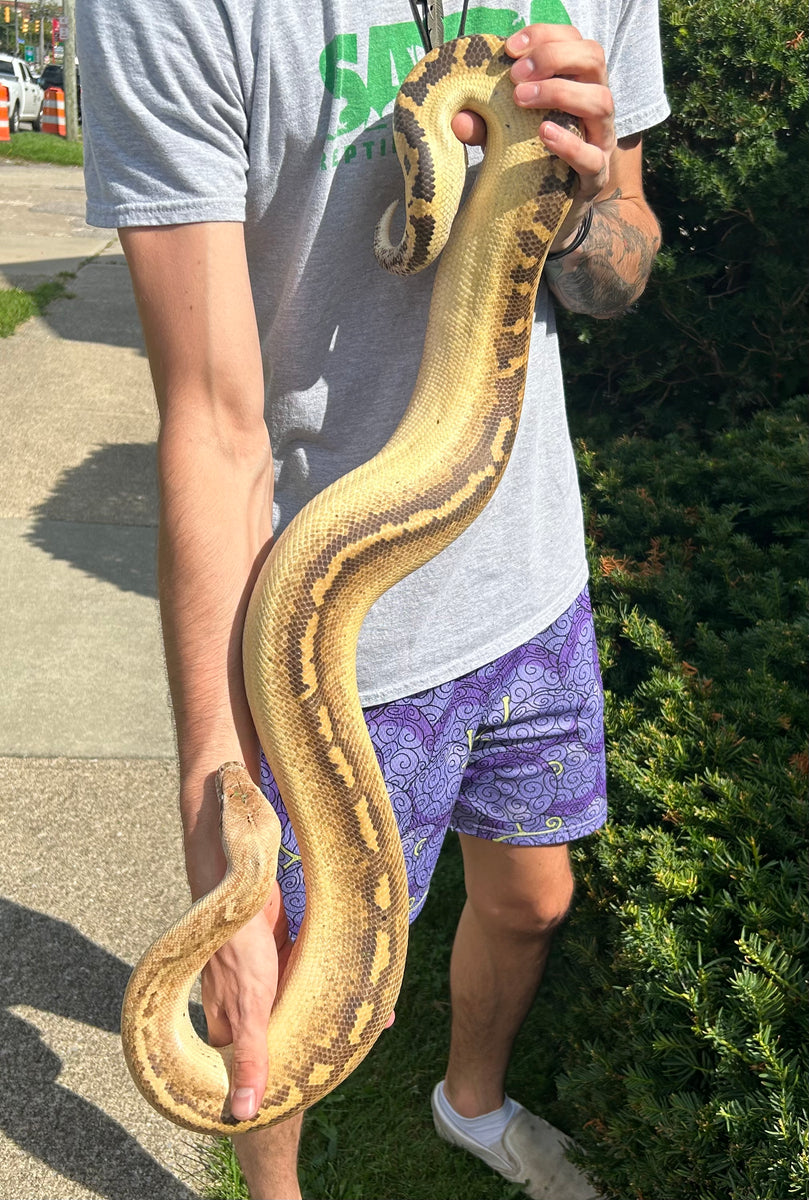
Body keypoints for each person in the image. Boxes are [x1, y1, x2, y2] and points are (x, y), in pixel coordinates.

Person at [77, 2, 668, 1197]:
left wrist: (574, 200)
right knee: (289, 988)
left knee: (533, 900)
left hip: (530, 571)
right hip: (327, 643)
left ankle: (470, 1104)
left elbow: (623, 261)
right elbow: (213, 426)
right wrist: (219, 829)